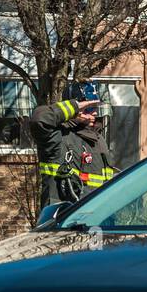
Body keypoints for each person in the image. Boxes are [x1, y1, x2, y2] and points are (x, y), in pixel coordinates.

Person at [30, 81, 116, 210]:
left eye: (96, 108)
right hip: (62, 217)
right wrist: (75, 106)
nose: (94, 113)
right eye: (89, 108)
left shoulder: (98, 140)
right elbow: (39, 119)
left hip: (96, 218)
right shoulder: (57, 136)